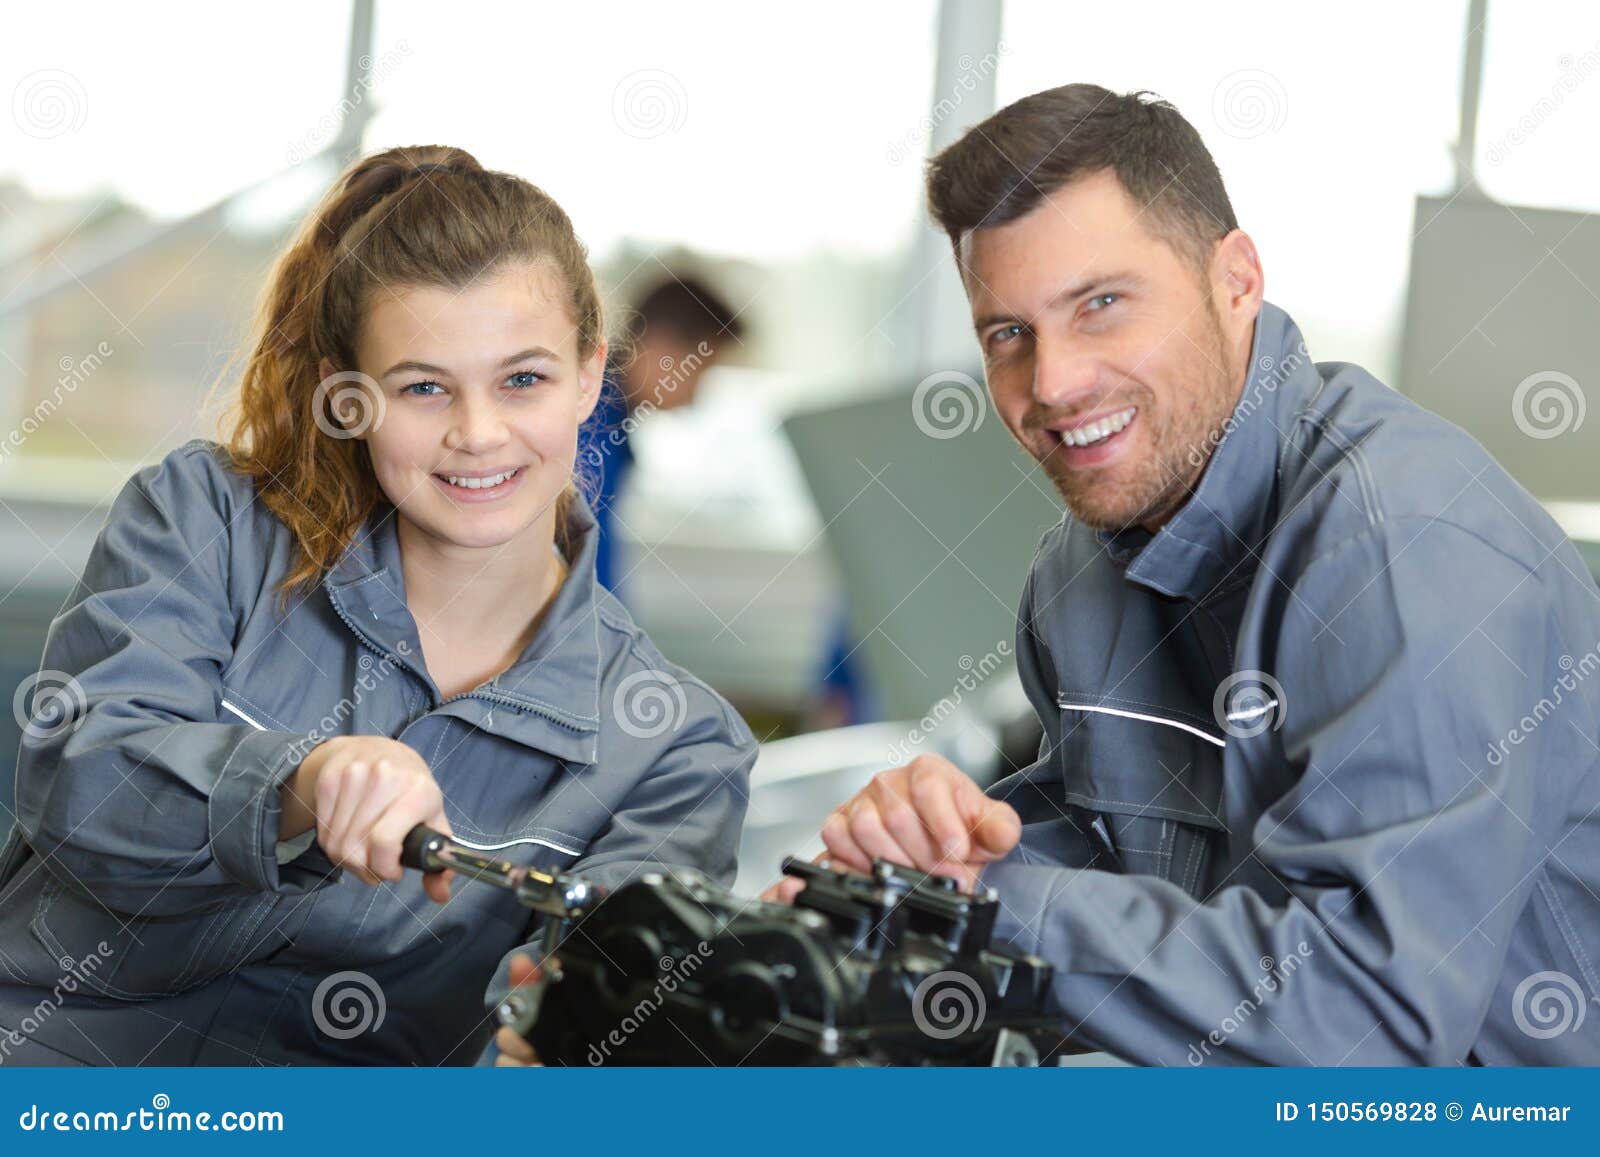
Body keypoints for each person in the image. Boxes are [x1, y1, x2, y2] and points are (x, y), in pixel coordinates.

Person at [770, 85, 1600, 1065]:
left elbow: (1370, 1024)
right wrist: (933, 862)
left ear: (1236, 279)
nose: (1051, 383)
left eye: (1101, 304)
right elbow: (1111, 860)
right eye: (1008, 333)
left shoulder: (1402, 540)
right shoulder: (1082, 572)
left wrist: (992, 904)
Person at [0, 146, 756, 1066]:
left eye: (524, 379)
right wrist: (296, 781)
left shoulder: (676, 748)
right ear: (347, 397)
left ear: (591, 374)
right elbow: (77, 786)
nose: (477, 434)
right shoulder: (203, 519)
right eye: (422, 387)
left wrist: (575, 1028)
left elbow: (603, 1010)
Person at [579, 276, 743, 595]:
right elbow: (586, 579)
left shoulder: (610, 424)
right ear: (662, 345)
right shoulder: (589, 432)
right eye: (701, 371)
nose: (697, 397)